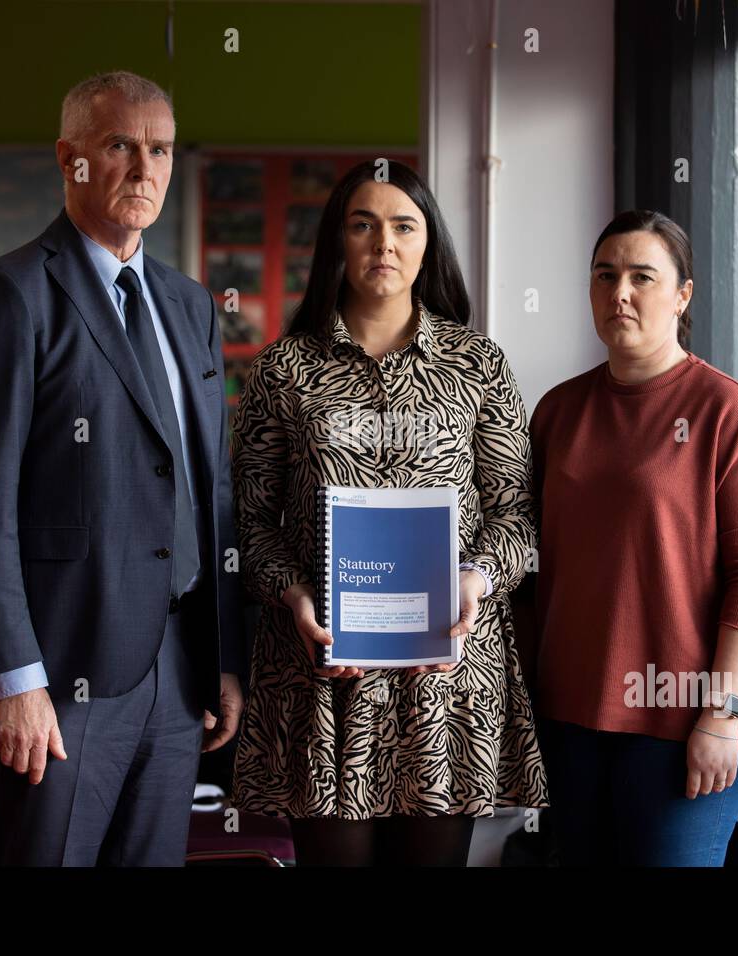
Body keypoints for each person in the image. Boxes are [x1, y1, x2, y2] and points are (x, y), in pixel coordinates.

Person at [0, 71, 244, 866]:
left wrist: (225, 657)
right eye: (119, 146)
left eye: (161, 150)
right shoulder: (9, 295)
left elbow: (211, 491)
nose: (145, 169)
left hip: (181, 671)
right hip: (63, 674)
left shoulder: (190, 308)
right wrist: (15, 680)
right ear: (68, 157)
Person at [229, 160, 548, 866]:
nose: (384, 244)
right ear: (338, 242)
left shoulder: (477, 366)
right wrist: (292, 591)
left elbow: (517, 521)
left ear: (428, 243)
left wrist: (476, 581)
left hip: (444, 678)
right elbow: (249, 527)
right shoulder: (285, 370)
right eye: (363, 225)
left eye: (404, 226)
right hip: (320, 677)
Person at [529, 209, 738, 866]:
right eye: (605, 275)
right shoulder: (558, 411)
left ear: (682, 294)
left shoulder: (726, 412)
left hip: (684, 726)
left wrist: (722, 717)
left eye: (642, 276)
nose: (619, 292)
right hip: (571, 721)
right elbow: (527, 560)